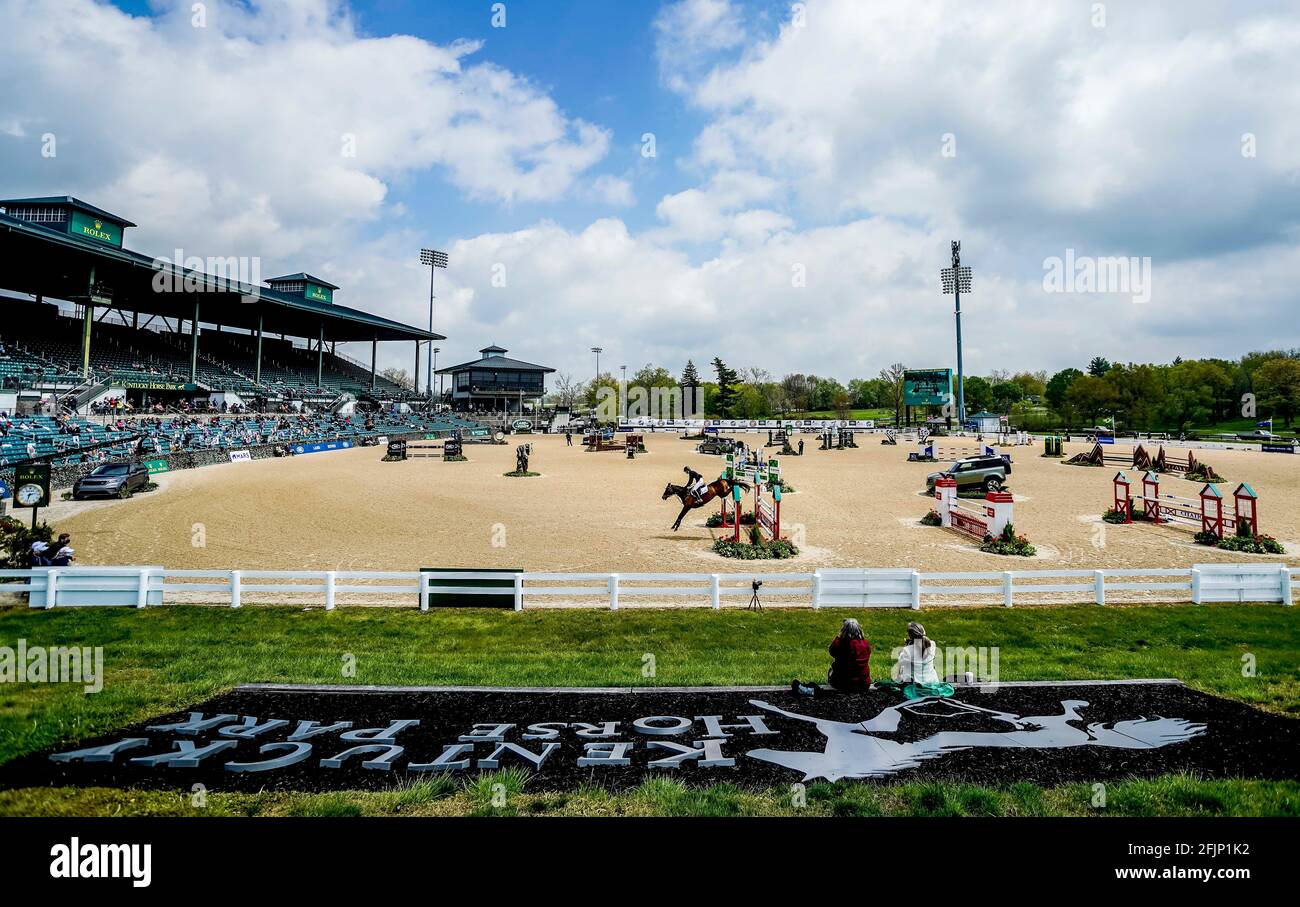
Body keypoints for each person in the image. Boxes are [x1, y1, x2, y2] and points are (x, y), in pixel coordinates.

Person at [826, 618, 873, 692]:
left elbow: (831, 651)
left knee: (831, 671)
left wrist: (838, 636)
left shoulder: (840, 644)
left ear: (844, 630)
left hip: (842, 684)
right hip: (863, 684)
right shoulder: (865, 645)